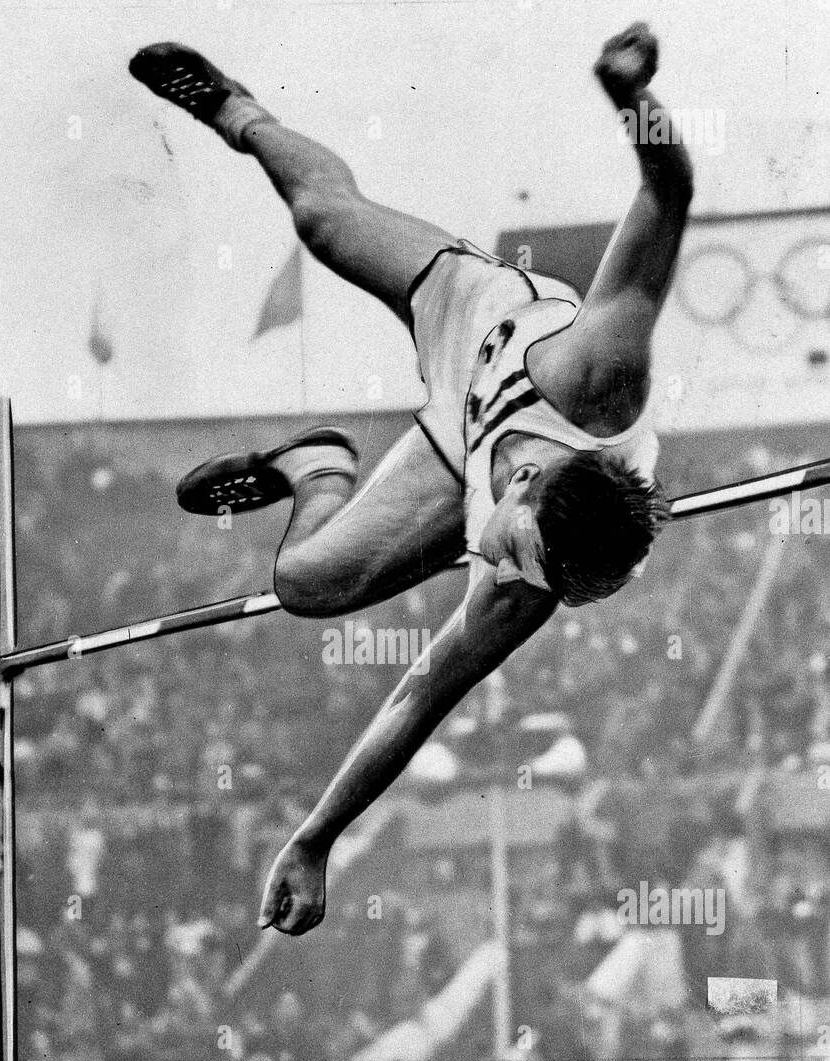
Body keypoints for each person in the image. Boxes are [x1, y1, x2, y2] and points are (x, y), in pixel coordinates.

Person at [130, 22, 692, 935]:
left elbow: (419, 693)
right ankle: (237, 109)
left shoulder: (528, 584)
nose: (498, 569)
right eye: (511, 550)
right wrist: (635, 96)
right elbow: (668, 195)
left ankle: (314, 468)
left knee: (307, 584)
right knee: (319, 219)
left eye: (520, 575)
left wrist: (316, 838)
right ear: (531, 489)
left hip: (461, 443)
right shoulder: (599, 374)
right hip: (480, 325)